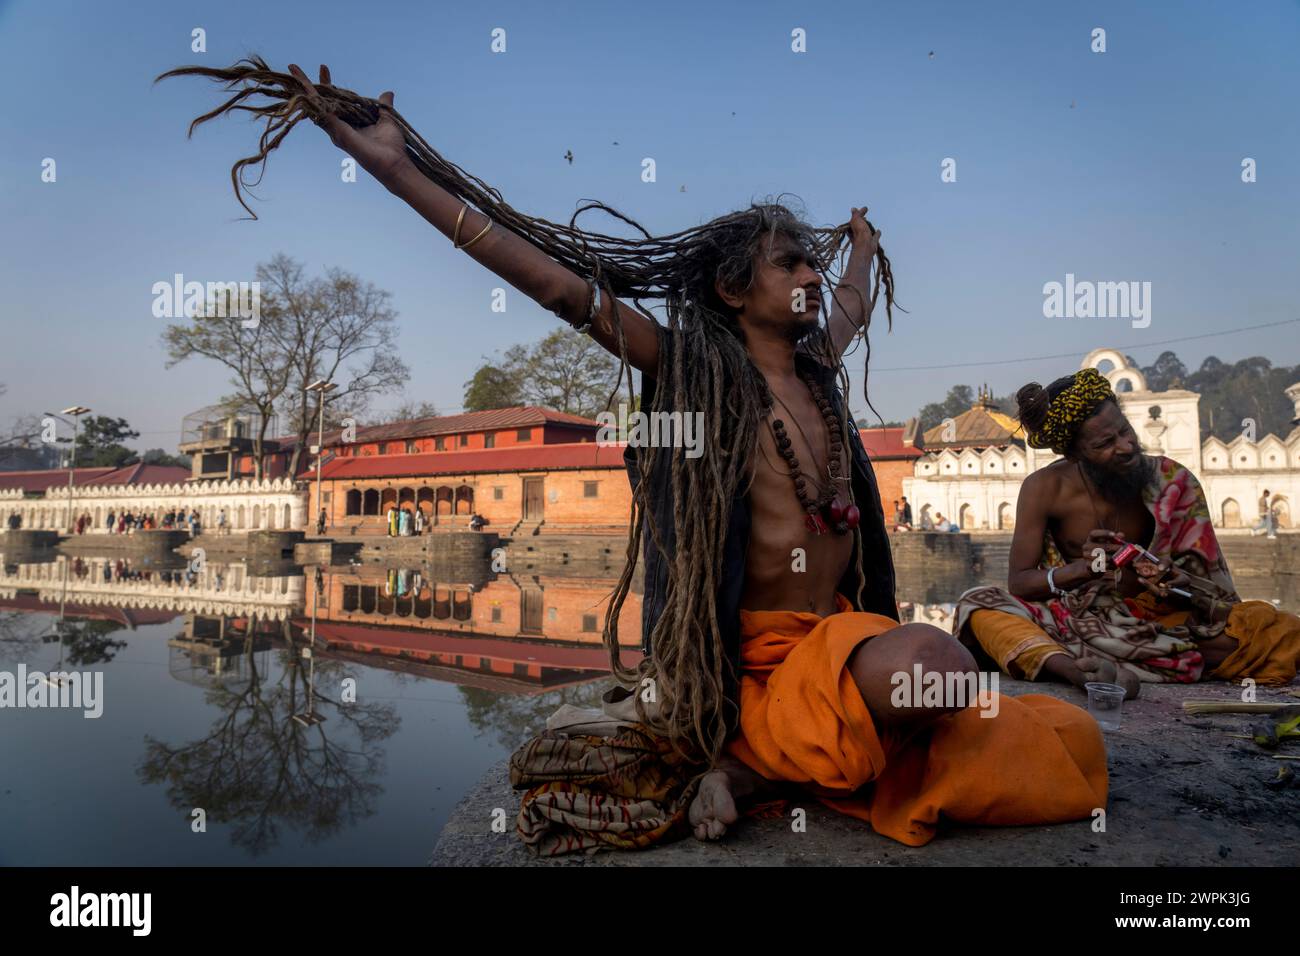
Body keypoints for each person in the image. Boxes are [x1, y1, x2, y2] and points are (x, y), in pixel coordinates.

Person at [175, 62, 1107, 850]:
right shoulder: (692, 369)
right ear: (735, 288)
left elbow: (854, 302)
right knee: (938, 666)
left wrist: (860, 247)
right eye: (791, 263)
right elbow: (547, 279)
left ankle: (763, 770)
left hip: (845, 643)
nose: (811, 278)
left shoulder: (820, 373)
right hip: (749, 665)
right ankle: (751, 756)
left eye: (811, 265)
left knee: (1045, 733)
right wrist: (394, 169)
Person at [957, 368, 1300, 699]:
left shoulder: (1172, 481)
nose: (1125, 446)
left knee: (1278, 631)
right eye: (1106, 442)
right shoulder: (1044, 488)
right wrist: (1082, 570)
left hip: (1162, 624)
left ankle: (1085, 662)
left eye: (1125, 431)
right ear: (1075, 453)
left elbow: (1212, 594)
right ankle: (1076, 672)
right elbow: (1019, 582)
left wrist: (1177, 583)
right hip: (1075, 621)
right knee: (978, 605)